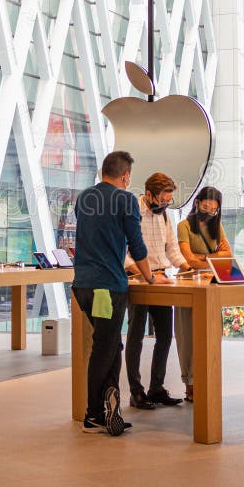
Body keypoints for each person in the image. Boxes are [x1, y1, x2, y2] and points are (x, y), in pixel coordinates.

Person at [72, 151, 171, 436]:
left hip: (83, 286)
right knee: (104, 350)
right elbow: (137, 246)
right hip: (107, 288)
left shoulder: (84, 198)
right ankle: (93, 415)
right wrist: (150, 277)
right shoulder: (126, 200)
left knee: (112, 345)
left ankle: (109, 410)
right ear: (125, 176)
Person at [124, 173, 191, 410]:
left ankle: (156, 388)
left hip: (161, 278)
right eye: (161, 200)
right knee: (136, 337)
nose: (164, 205)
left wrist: (187, 268)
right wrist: (142, 273)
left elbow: (172, 248)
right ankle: (136, 392)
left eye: (168, 201)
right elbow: (123, 251)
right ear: (149, 194)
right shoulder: (132, 211)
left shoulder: (164, 215)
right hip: (137, 280)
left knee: (165, 335)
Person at [175, 186, 232, 402]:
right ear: (197, 203)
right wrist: (212, 257)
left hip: (211, 282)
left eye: (213, 210)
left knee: (212, 334)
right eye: (206, 208)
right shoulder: (184, 226)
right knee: (187, 336)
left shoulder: (217, 226)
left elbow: (228, 254)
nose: (209, 213)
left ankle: (207, 381)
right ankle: (190, 385)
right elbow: (187, 259)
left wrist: (203, 258)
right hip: (188, 284)